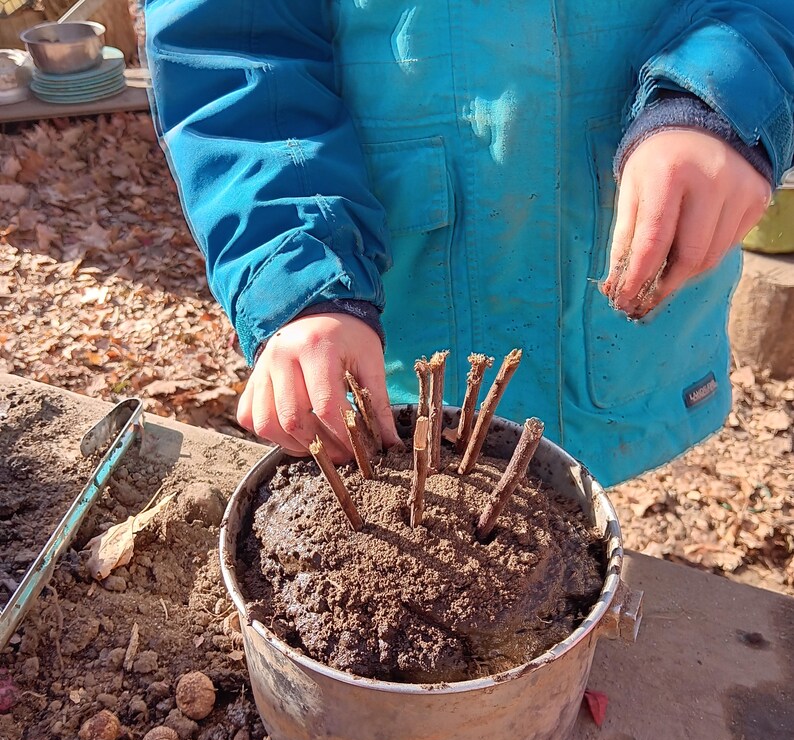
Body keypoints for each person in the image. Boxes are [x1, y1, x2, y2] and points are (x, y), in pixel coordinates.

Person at [143, 1, 794, 485]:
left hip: (613, 318)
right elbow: (235, 50)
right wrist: (301, 272)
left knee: (577, 537)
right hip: (393, 308)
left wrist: (727, 94)